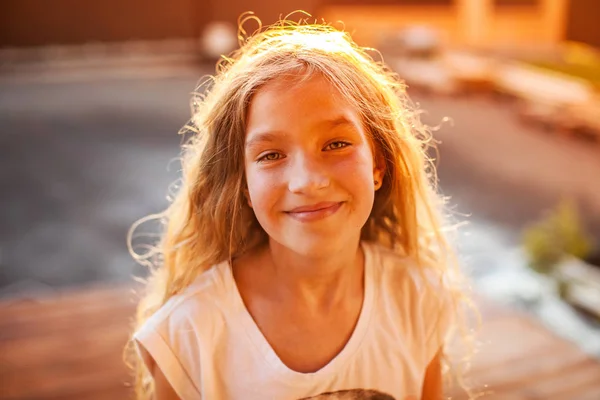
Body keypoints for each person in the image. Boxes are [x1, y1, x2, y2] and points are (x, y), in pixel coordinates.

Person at [127, 15, 473, 400]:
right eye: (272, 154)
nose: (308, 181)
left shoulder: (416, 299)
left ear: (378, 164)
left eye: (336, 144)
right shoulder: (190, 334)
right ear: (243, 186)